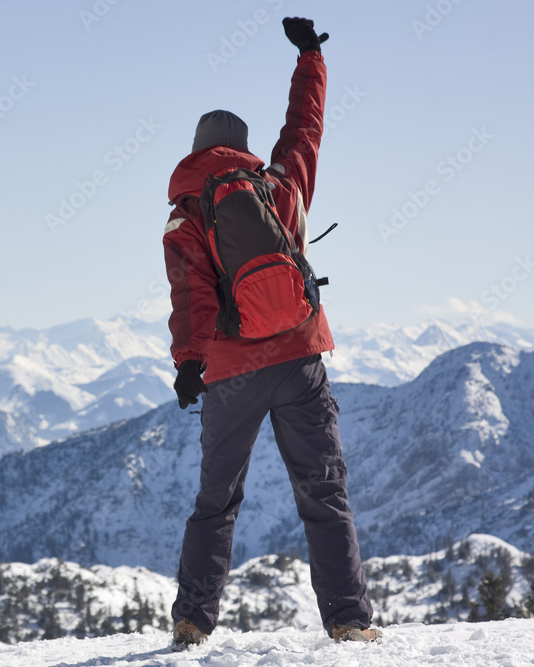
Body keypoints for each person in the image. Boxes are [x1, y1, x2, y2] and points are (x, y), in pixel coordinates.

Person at [162, 17, 378, 646]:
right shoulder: (280, 185)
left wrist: (189, 362)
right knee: (323, 491)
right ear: (241, 148)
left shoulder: (185, 216)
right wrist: (311, 57)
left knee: (217, 501)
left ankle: (192, 621)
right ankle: (348, 620)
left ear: (197, 151)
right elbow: (305, 127)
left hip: (231, 370)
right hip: (300, 355)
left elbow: (192, 297)